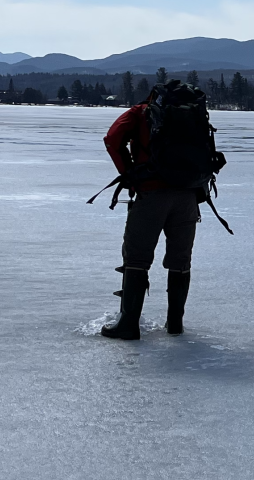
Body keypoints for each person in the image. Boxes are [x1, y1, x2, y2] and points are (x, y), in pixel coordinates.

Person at [94, 81, 224, 339]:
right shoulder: (193, 114)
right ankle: (175, 325)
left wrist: (129, 173)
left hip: (152, 192)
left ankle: (128, 324)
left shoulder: (140, 112)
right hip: (188, 194)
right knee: (180, 260)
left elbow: (112, 139)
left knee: (137, 258)